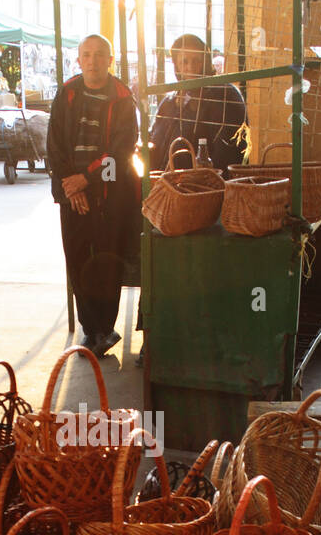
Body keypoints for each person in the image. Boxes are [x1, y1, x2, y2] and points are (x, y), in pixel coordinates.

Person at [47, 34, 142, 358]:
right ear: (79, 60)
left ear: (110, 60)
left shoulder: (123, 98)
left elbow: (121, 151)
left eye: (100, 55)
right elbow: (54, 145)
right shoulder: (67, 94)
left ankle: (106, 328)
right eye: (87, 55)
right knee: (77, 260)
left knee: (106, 262)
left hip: (108, 194)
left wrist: (84, 180)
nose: (93, 61)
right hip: (72, 193)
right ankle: (90, 331)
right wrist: (69, 186)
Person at [149, 33, 247, 175]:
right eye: (184, 61)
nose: (191, 67)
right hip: (167, 185)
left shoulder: (225, 94)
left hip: (207, 185)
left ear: (206, 61)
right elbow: (155, 141)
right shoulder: (170, 101)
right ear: (177, 66)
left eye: (196, 61)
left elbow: (229, 150)